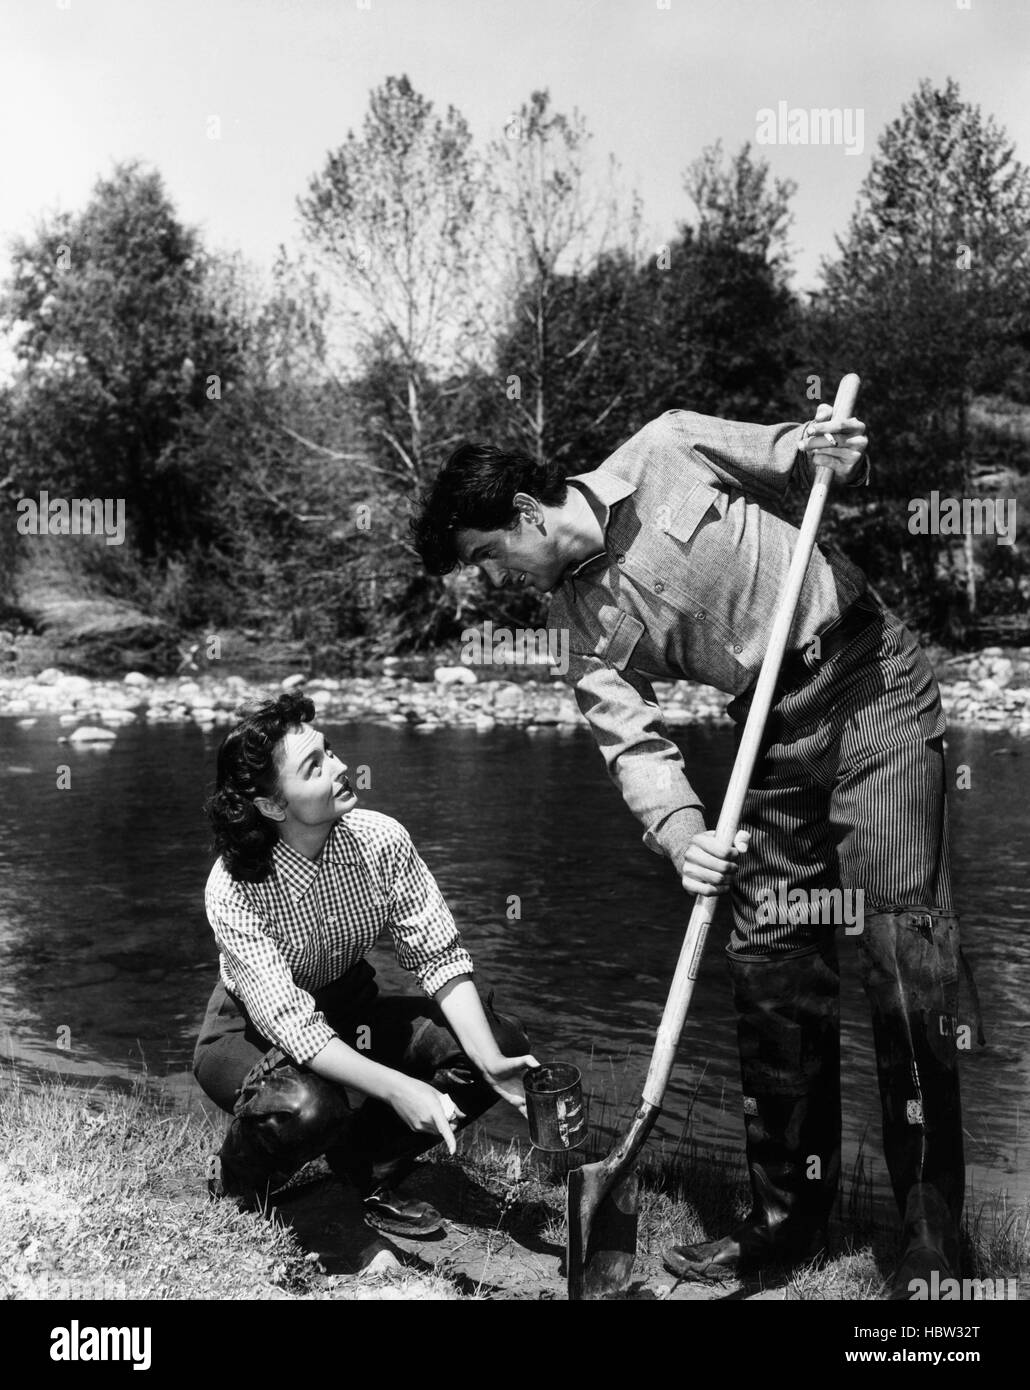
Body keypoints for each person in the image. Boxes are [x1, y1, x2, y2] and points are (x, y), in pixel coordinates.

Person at [412, 400, 969, 1299]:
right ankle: (788, 1222)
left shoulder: (669, 446)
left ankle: (933, 1241)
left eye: (486, 553)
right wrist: (683, 837)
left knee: (907, 951)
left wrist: (835, 448)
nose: (493, 575)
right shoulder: (577, 627)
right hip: (770, 733)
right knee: (772, 967)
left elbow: (800, 457)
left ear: (523, 512)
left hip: (872, 684)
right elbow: (633, 744)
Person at [193, 692, 537, 1237]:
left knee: (497, 1044)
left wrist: (490, 1060)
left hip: (352, 1009)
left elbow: (438, 954)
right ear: (273, 805)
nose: (340, 766)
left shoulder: (381, 840)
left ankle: (366, 1169)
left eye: (329, 750)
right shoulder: (234, 885)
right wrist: (400, 1088)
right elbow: (292, 1025)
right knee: (308, 1107)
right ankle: (235, 1181)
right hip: (250, 1032)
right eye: (315, 766)